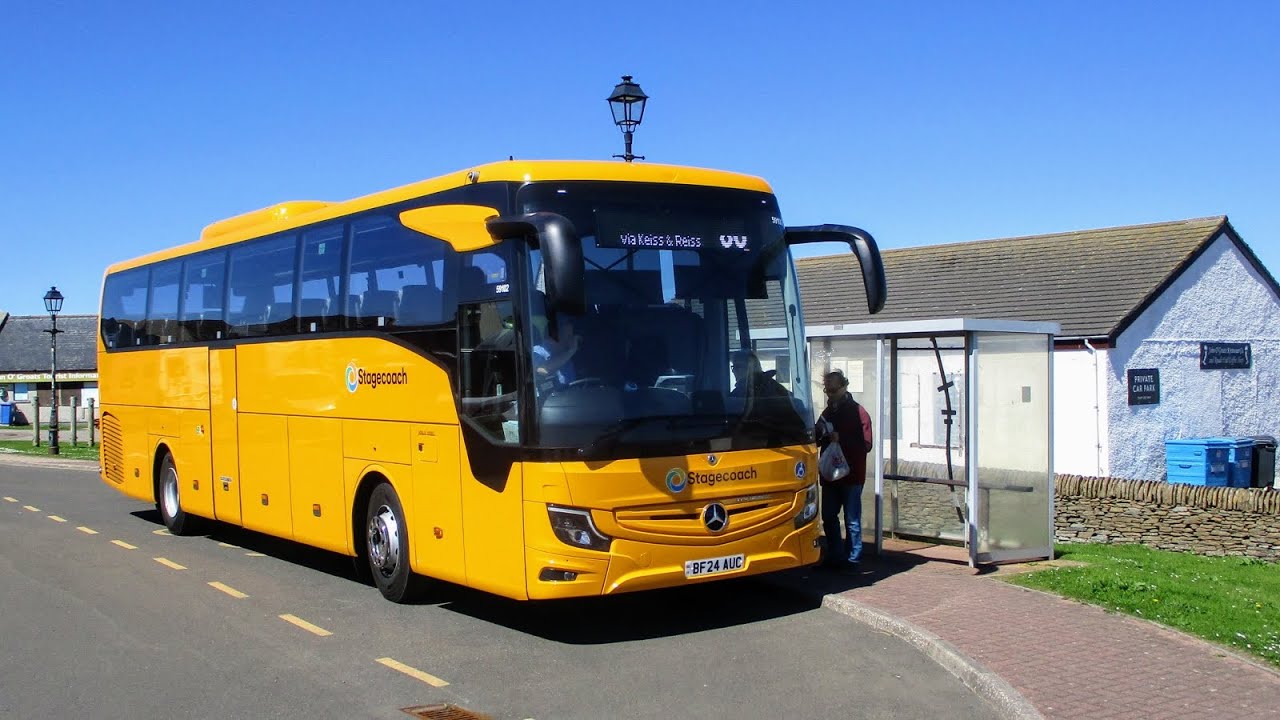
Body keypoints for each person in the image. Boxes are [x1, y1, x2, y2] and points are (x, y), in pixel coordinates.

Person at [817, 369, 873, 573]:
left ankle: (853, 559)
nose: (830, 394)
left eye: (833, 389)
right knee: (829, 516)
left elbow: (866, 444)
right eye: (827, 389)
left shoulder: (859, 412)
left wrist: (842, 439)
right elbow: (816, 437)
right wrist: (822, 435)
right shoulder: (827, 413)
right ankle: (836, 555)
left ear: (844, 387)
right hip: (831, 476)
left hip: (851, 475)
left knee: (852, 519)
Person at [532, 315, 580, 388]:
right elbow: (543, 370)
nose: (573, 339)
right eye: (569, 336)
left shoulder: (567, 355)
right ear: (556, 335)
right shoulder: (537, 352)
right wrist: (571, 351)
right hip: (550, 399)